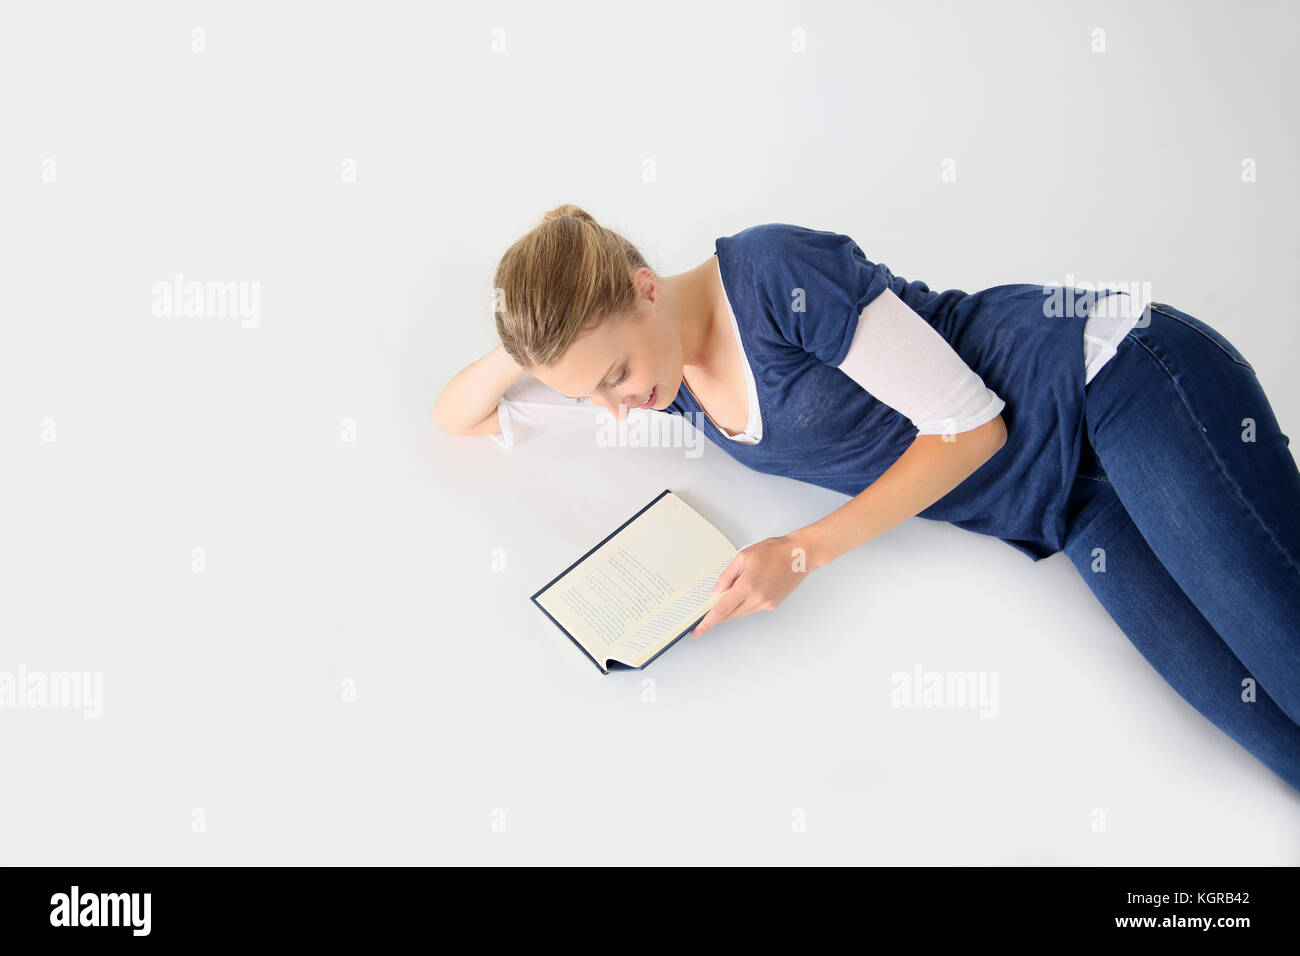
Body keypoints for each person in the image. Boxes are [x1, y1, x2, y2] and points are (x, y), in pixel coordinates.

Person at [433, 204, 1300, 793]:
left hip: (1114, 382)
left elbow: (972, 428)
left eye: (614, 375)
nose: (614, 409)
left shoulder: (774, 275)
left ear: (645, 285)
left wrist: (802, 552)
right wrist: (539, 336)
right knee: (1280, 744)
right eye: (589, 397)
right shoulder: (667, 385)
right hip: (1075, 507)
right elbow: (458, 417)